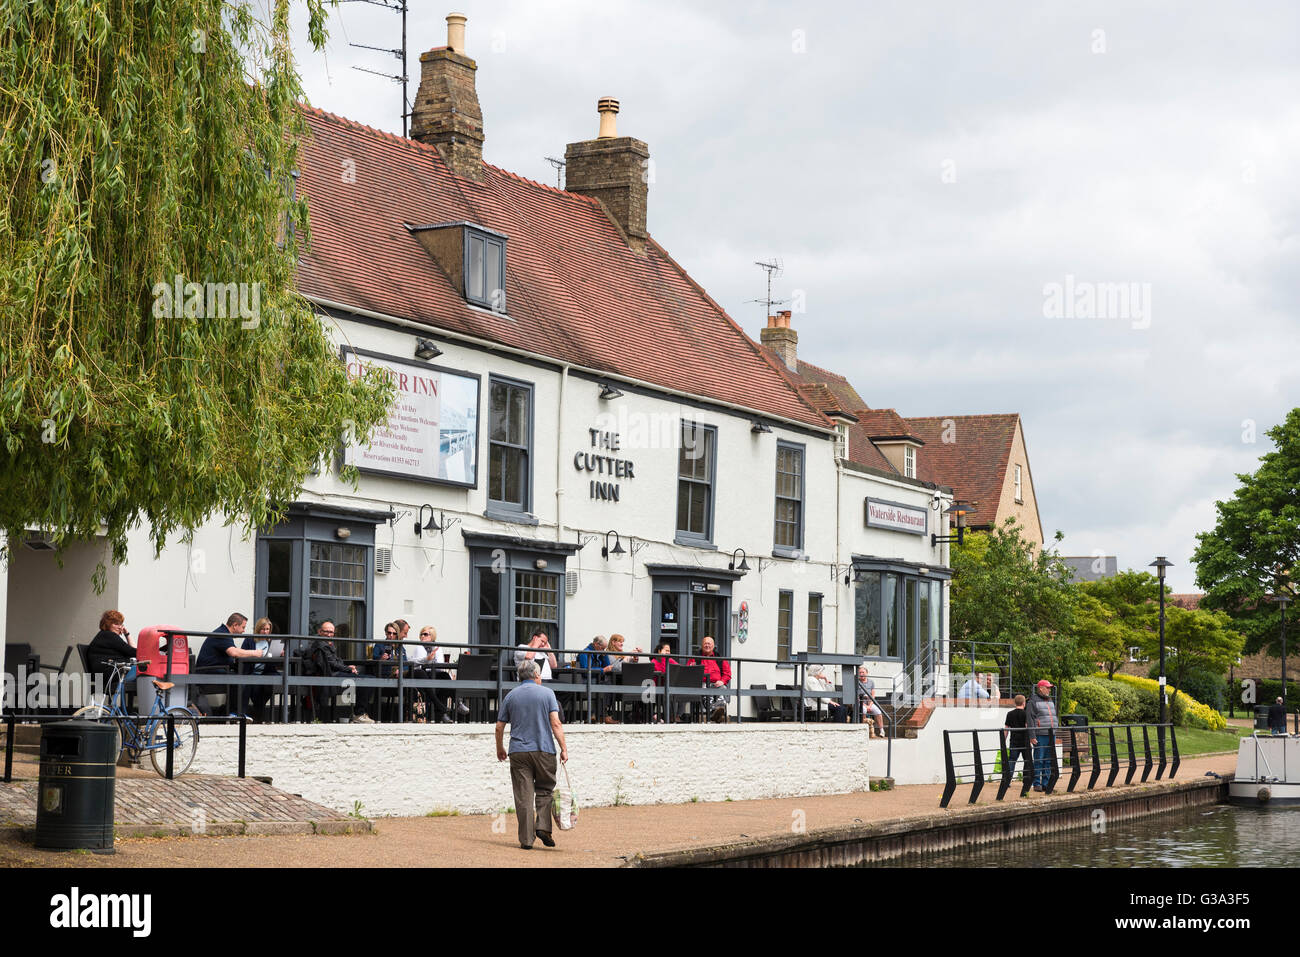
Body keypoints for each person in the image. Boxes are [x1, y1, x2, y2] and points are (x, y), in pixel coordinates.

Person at [495, 659, 568, 850]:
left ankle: (526, 840)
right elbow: (556, 723)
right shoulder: (548, 694)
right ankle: (543, 827)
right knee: (545, 789)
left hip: (518, 751)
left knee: (523, 796)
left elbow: (499, 726)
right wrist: (564, 748)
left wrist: (500, 748)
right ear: (536, 675)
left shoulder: (510, 696)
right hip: (544, 749)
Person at [193, 613, 265, 717]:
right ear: (235, 625)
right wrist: (255, 653)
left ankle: (234, 712)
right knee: (239, 680)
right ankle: (234, 713)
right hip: (207, 672)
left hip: (213, 670)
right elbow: (234, 653)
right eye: (243, 627)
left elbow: (234, 654)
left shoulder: (224, 633)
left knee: (242, 678)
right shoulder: (222, 634)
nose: (244, 631)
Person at [302, 620, 374, 723]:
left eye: (331, 632)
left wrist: (348, 667)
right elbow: (332, 664)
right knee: (367, 681)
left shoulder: (327, 645)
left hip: (335, 675)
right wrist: (349, 669)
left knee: (370, 679)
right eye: (326, 632)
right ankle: (359, 714)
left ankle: (360, 713)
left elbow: (335, 662)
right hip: (332, 677)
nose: (329, 635)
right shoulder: (321, 646)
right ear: (319, 632)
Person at [238, 617, 281, 721]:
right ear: (258, 629)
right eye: (263, 629)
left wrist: (279, 655)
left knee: (273, 683)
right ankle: (249, 714)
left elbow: (275, 664)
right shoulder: (249, 640)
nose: (265, 632)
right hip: (251, 672)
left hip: (266, 673)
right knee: (252, 687)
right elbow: (242, 655)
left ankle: (257, 712)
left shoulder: (273, 642)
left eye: (267, 629)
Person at [1025, 679, 1059, 792]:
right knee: (1038, 759)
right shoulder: (1032, 701)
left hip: (1051, 734)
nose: (1049, 690)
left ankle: (1046, 784)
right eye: (1047, 687)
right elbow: (1030, 719)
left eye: (1049, 688)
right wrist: (1032, 735)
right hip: (1040, 734)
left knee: (1048, 760)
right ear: (1041, 688)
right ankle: (1036, 784)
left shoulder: (1050, 700)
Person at [690, 635, 731, 722]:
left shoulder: (719, 658)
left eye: (709, 643)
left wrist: (722, 681)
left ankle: (717, 710)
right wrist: (691, 667)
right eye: (705, 643)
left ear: (713, 646)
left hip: (717, 684)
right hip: (703, 683)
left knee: (723, 688)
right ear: (702, 645)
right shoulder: (696, 657)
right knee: (705, 689)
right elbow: (688, 671)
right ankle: (715, 711)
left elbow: (727, 673)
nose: (707, 645)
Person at [87, 609, 136, 681]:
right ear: (108, 624)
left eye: (121, 624)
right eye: (116, 624)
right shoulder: (109, 635)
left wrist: (126, 634)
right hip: (109, 673)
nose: (120, 627)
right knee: (144, 669)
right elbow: (133, 652)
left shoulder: (104, 636)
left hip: (109, 673)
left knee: (141, 669)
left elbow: (132, 653)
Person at [1002, 693, 1030, 781]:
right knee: (1027, 760)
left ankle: (1007, 780)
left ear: (1015, 703)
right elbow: (1027, 727)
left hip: (1014, 740)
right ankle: (1026, 780)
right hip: (1025, 740)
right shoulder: (1026, 714)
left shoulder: (1010, 714)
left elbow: (1006, 728)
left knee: (1012, 760)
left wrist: (1003, 740)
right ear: (1024, 703)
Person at [856, 666, 886, 736]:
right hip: (861, 703)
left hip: (870, 702)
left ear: (867, 673)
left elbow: (873, 695)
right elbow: (857, 697)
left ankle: (882, 730)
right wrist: (865, 706)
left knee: (878, 711)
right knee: (863, 710)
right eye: (860, 672)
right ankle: (863, 730)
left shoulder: (871, 682)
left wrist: (870, 705)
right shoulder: (856, 682)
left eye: (863, 672)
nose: (861, 674)